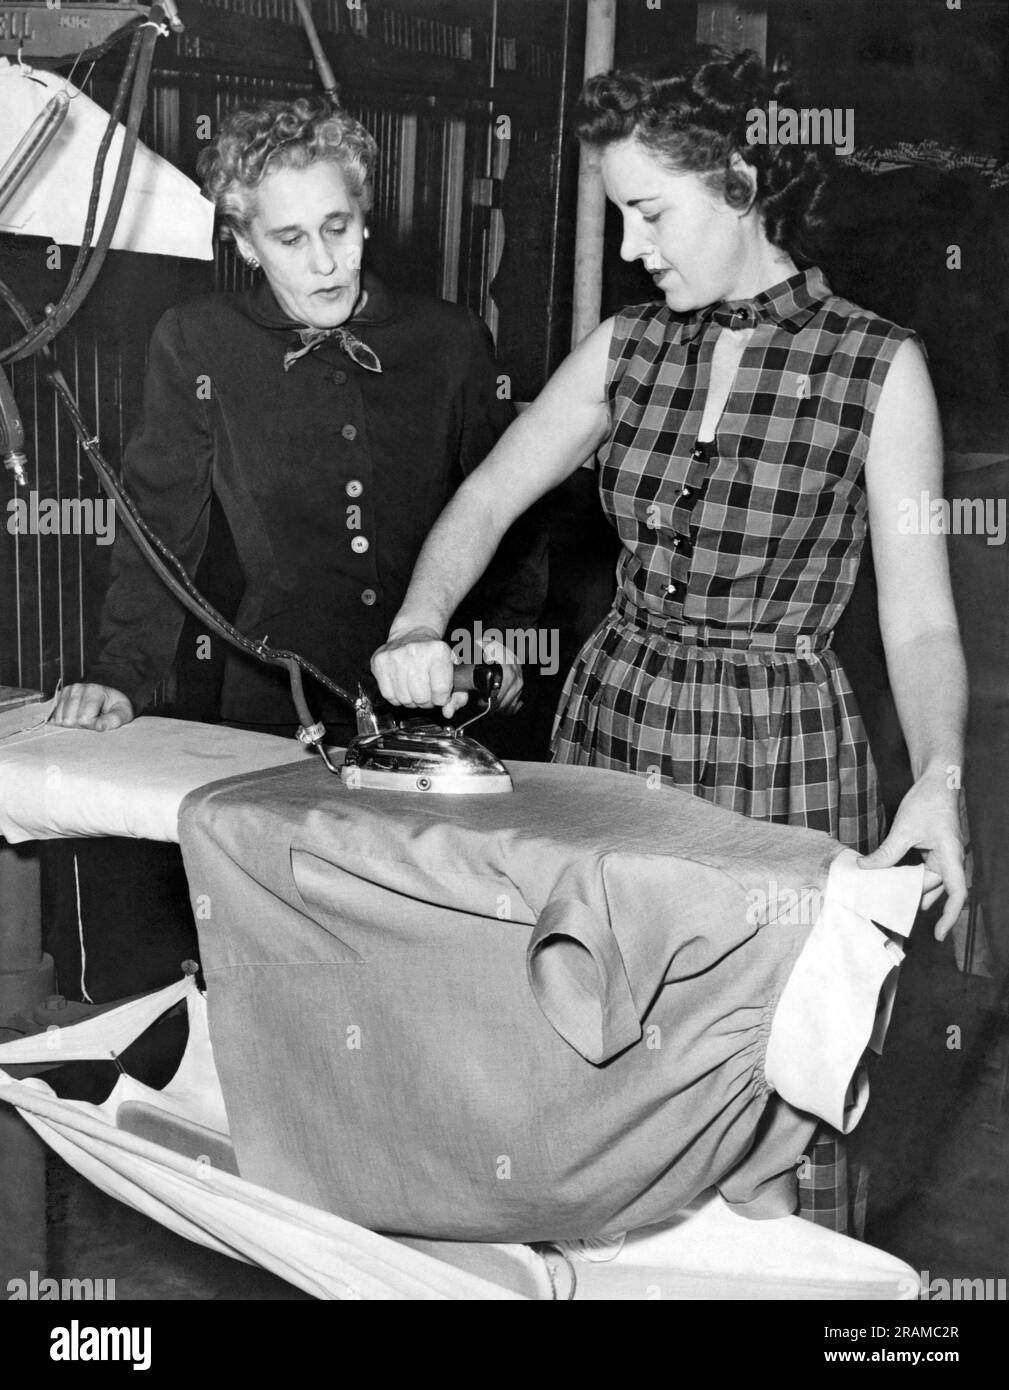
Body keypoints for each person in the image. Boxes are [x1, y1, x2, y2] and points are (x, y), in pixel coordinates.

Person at [371, 52, 968, 1232]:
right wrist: (417, 619)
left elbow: (920, 614)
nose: (634, 246)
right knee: (596, 1053)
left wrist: (940, 776)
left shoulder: (877, 366)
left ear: (739, 178)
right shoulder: (626, 346)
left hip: (778, 749)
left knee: (769, 1084)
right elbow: (488, 498)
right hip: (615, 724)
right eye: (619, 215)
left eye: (651, 212)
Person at [52, 95, 539, 741]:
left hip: (439, 690)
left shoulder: (450, 339)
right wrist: (120, 673)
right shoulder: (197, 343)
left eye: (337, 226)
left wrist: (497, 642)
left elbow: (511, 509)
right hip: (277, 707)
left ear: (365, 217)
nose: (323, 262)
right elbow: (159, 529)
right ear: (245, 244)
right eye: (288, 238)